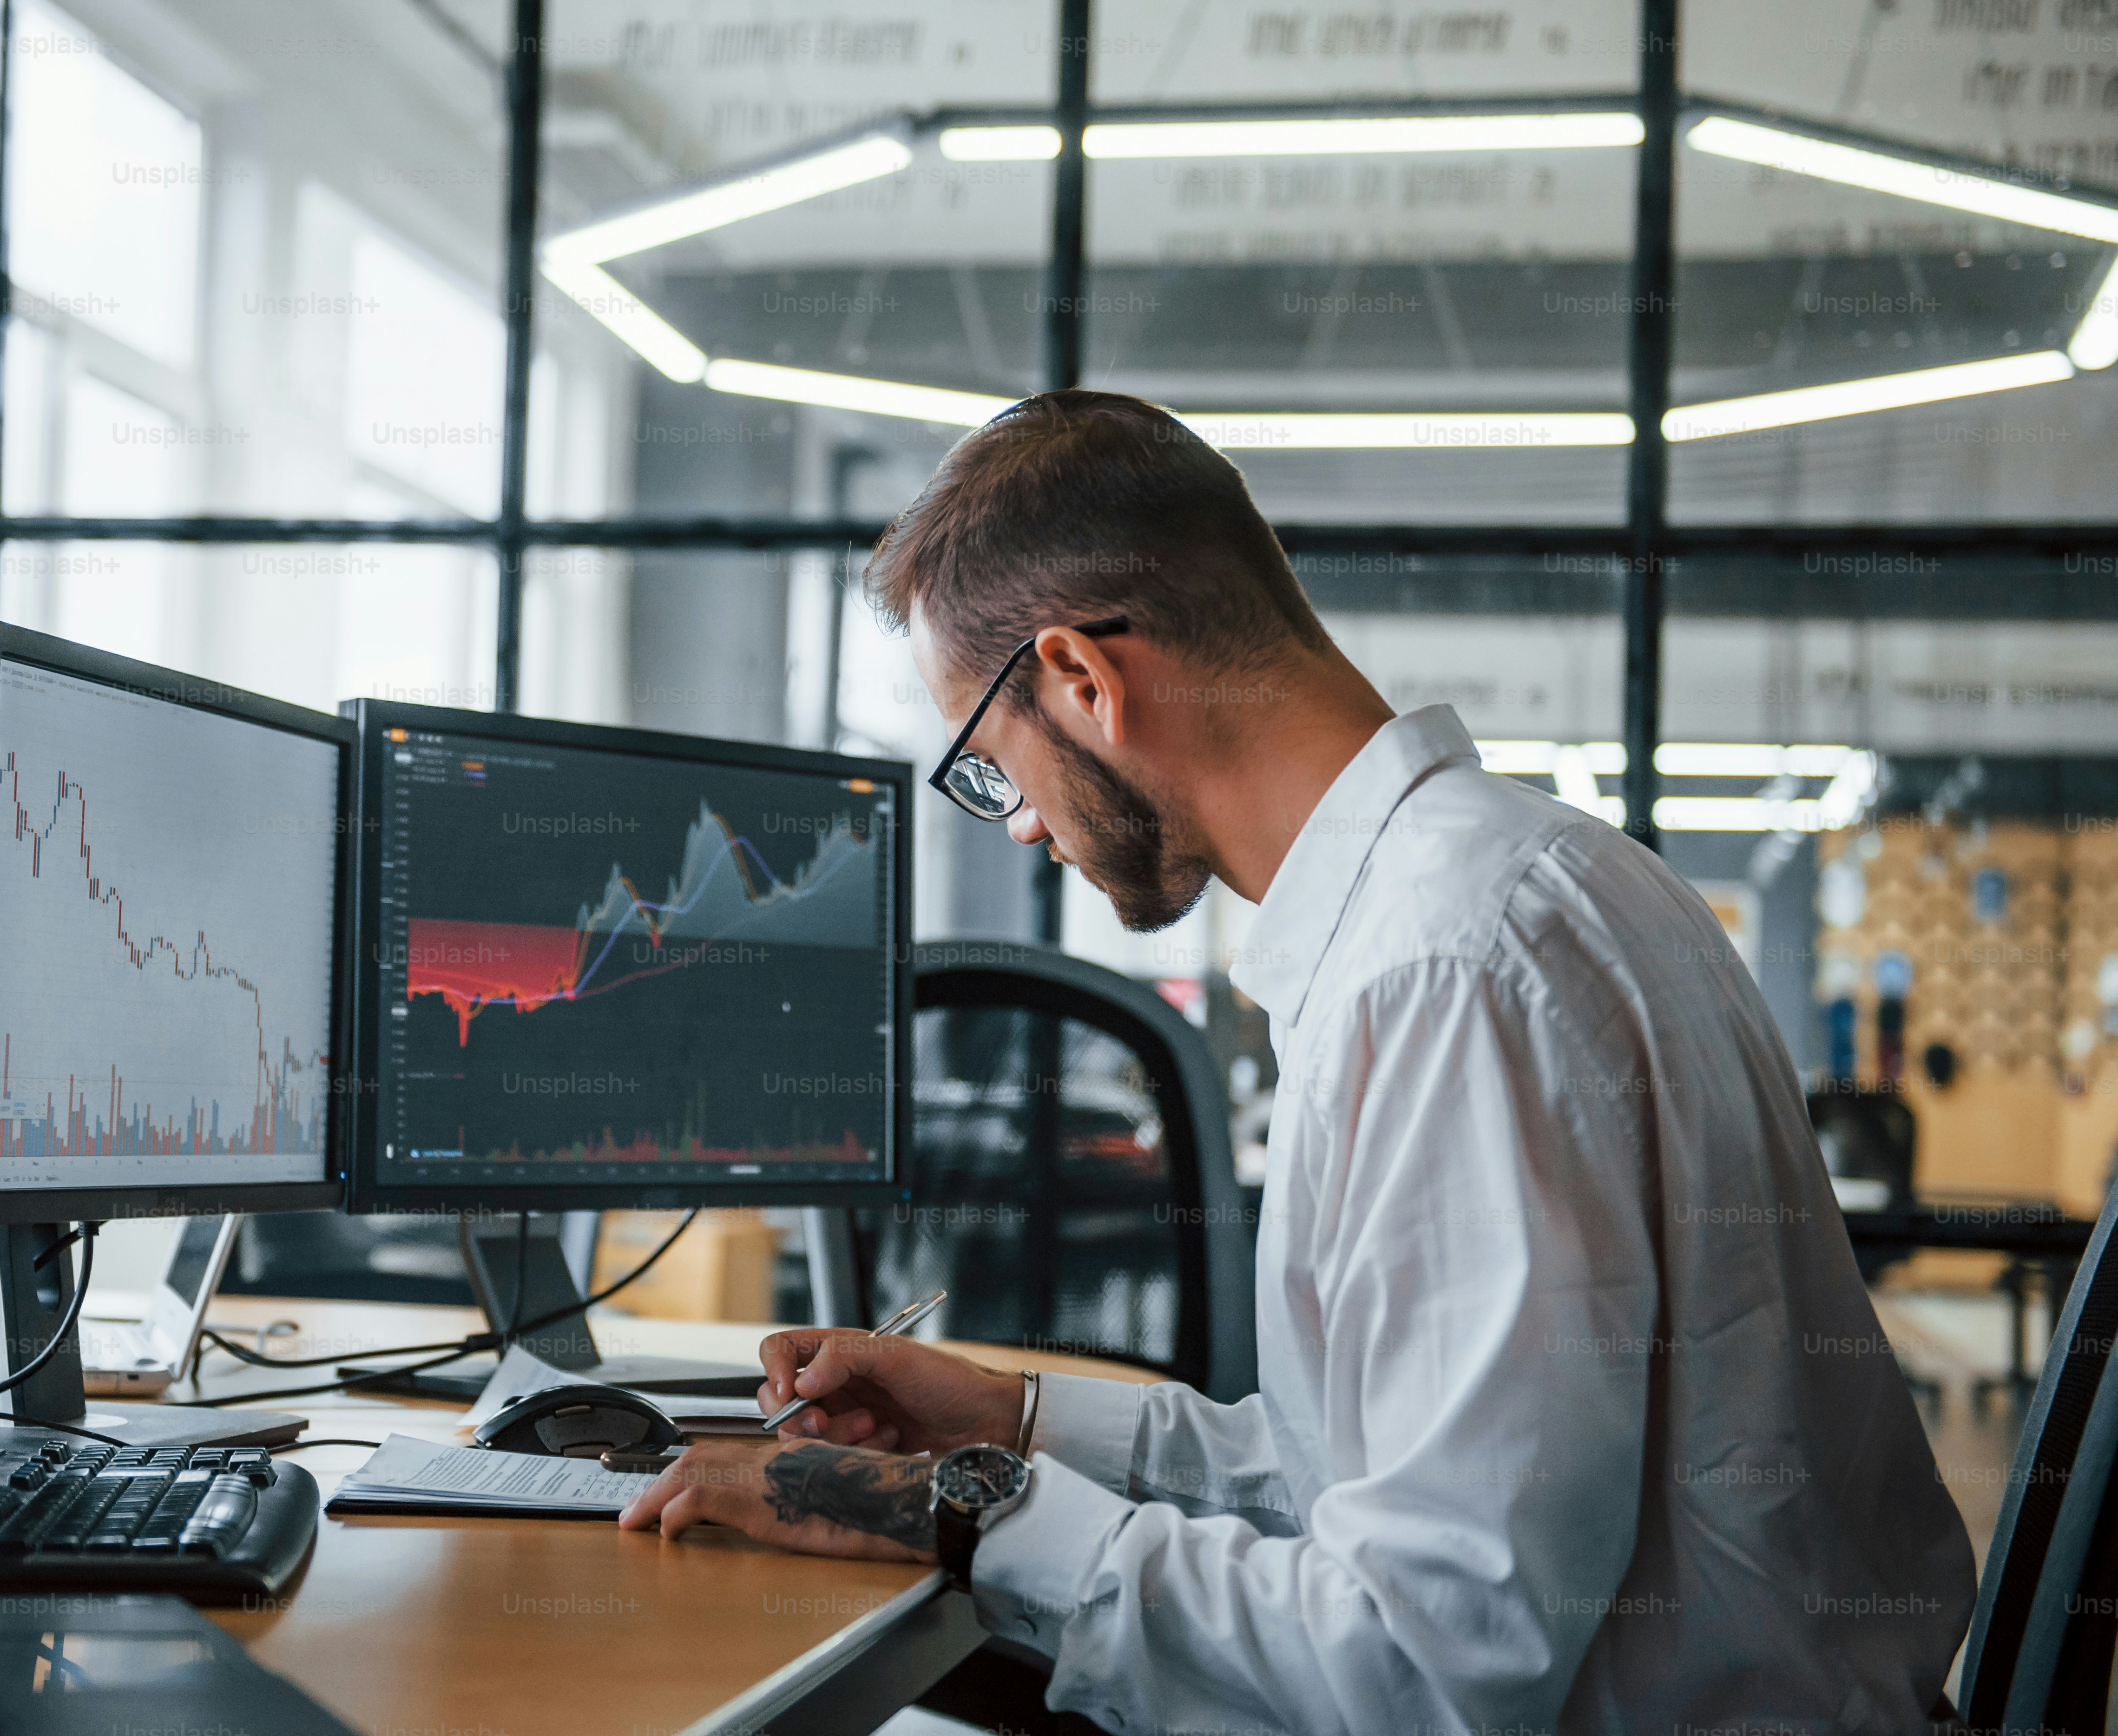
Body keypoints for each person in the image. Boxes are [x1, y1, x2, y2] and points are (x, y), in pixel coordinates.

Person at [619, 390, 1973, 1733]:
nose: (1020, 825)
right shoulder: (1524, 884)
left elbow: (1419, 1667)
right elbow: (1376, 1482)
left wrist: (957, 1511)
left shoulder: (1443, 977)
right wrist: (1011, 1420)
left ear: (1085, 681)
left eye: (990, 762)